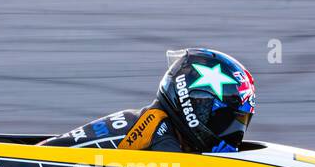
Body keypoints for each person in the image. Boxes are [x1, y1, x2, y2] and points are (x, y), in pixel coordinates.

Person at [40, 48, 257, 153]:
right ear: (198, 108)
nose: (234, 133)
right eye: (229, 121)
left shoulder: (156, 120)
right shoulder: (161, 141)